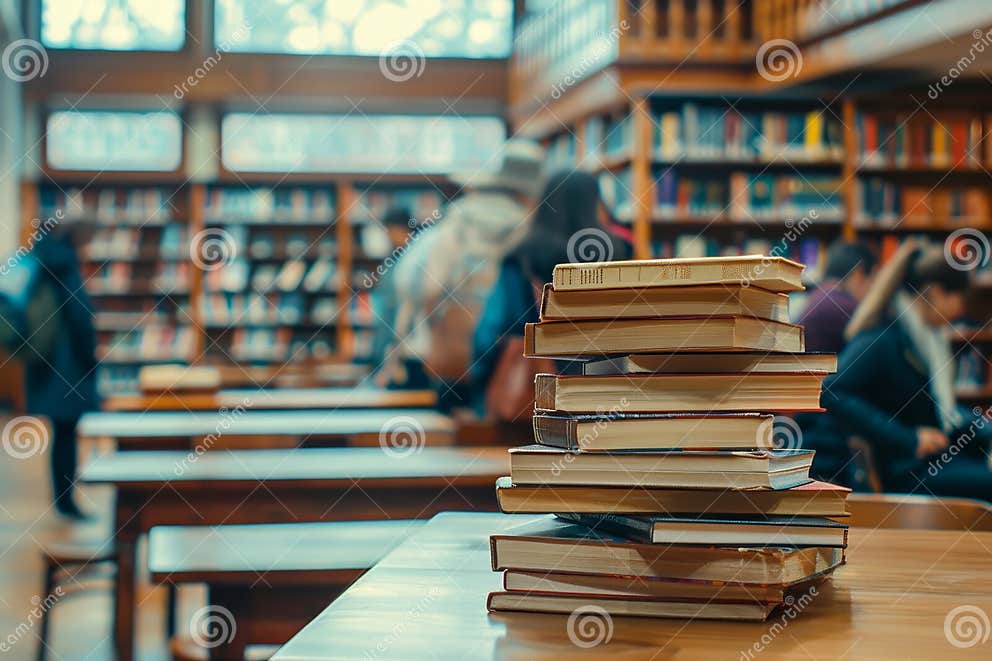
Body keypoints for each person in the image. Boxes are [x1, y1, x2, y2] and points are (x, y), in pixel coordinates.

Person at [808, 241, 991, 498]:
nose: (961, 310)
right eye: (959, 299)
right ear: (937, 292)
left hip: (925, 462)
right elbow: (831, 391)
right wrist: (909, 438)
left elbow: (942, 411)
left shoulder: (923, 340)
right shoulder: (885, 336)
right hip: (905, 470)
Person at [377, 139, 544, 410]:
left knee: (449, 429)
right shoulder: (530, 225)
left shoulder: (459, 221)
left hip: (455, 350)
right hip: (508, 348)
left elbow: (427, 286)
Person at [471, 169, 633, 414]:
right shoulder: (620, 252)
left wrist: (478, 376)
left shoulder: (521, 256)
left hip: (532, 392)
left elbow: (491, 328)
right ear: (595, 202)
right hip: (606, 388)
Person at [2, 224, 100, 518]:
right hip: (67, 366)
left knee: (61, 433)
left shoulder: (37, 261)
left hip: (43, 361)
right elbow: (80, 318)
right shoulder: (66, 266)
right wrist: (90, 359)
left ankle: (62, 498)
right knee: (67, 434)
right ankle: (66, 501)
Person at [797, 240, 877, 353]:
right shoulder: (840, 303)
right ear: (859, 274)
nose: (872, 289)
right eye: (873, 281)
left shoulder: (822, 292)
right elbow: (874, 324)